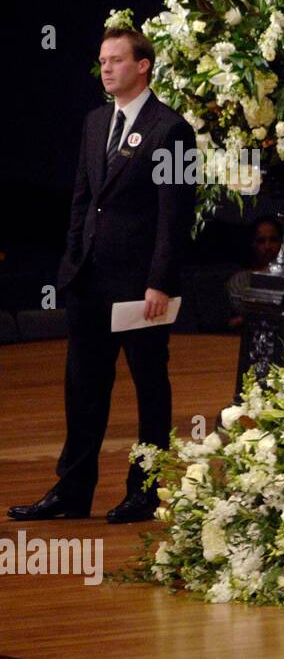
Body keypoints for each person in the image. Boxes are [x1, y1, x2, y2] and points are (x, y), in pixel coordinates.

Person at [7, 26, 196, 523]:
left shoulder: (172, 129)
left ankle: (144, 490)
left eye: (115, 59)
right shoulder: (95, 122)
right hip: (89, 281)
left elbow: (175, 216)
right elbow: (81, 199)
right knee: (83, 388)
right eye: (102, 60)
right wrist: (70, 262)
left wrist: (161, 280)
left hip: (140, 288)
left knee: (149, 388)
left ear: (143, 65)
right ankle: (72, 491)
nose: (106, 68)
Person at [225, 215, 283, 331]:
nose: (268, 246)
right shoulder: (239, 280)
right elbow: (241, 313)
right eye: (261, 241)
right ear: (252, 244)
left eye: (273, 240)